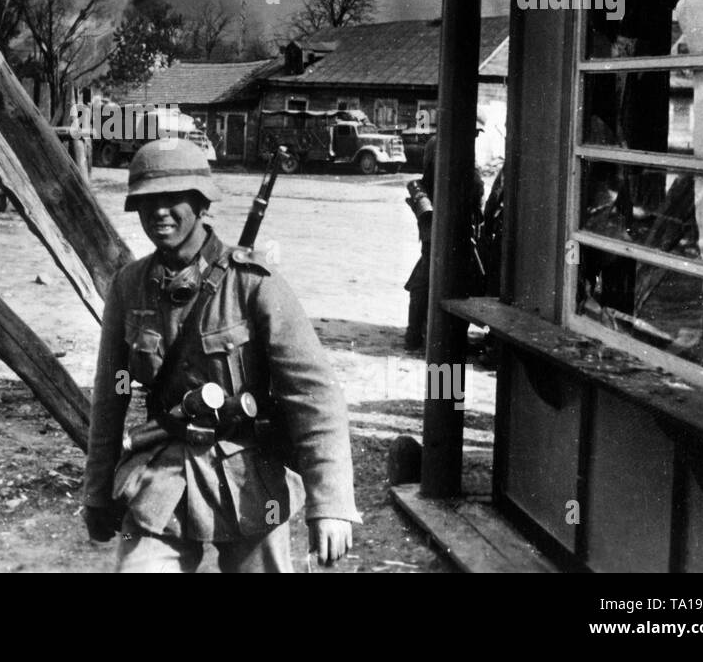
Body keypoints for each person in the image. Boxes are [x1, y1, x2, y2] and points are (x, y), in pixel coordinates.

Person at [81, 139, 361, 572]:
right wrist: (97, 492)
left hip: (249, 479)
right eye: (148, 200)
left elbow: (314, 395)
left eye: (174, 198)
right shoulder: (129, 287)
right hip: (162, 478)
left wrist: (332, 504)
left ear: (200, 203)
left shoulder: (254, 284)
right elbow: (111, 397)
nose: (159, 212)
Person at [404, 113, 488, 351]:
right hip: (444, 227)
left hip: (447, 227)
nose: (475, 136)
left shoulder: (442, 143)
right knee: (434, 280)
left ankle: (421, 334)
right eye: (473, 132)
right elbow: (457, 183)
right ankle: (424, 336)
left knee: (432, 279)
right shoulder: (445, 146)